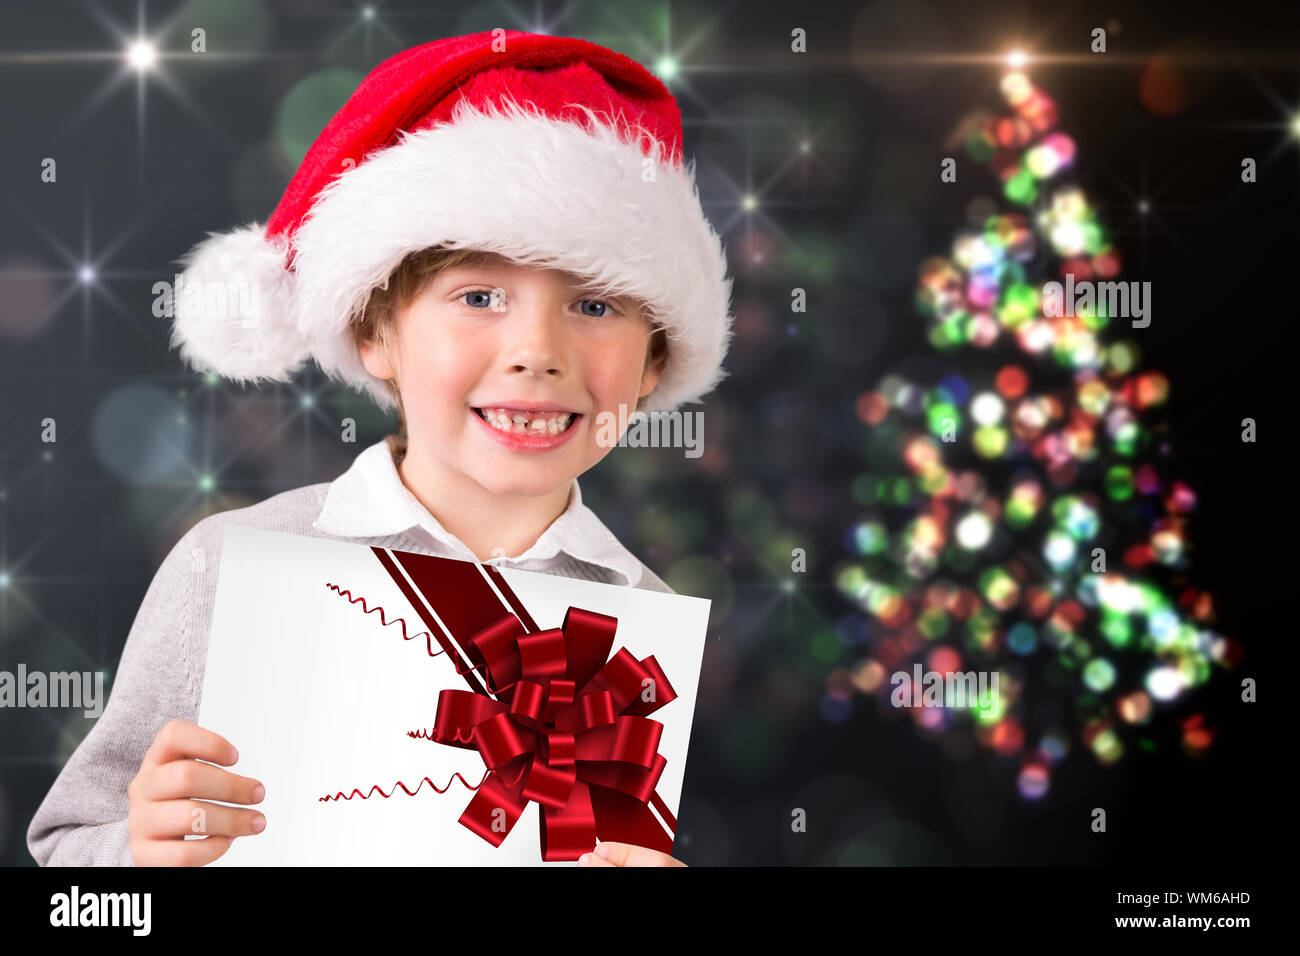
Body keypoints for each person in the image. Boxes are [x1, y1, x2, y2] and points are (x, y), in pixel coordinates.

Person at [26, 29, 733, 867]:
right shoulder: (230, 563)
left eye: (596, 306)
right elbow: (67, 864)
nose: (537, 352)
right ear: (373, 335)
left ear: (655, 361)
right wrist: (134, 857)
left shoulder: (637, 627)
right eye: (477, 295)